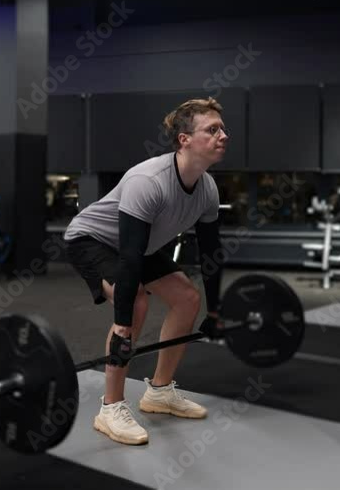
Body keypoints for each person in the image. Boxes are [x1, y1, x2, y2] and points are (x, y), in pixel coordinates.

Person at [64, 97, 229, 446]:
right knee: (135, 301)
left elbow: (212, 253)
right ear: (184, 139)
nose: (223, 135)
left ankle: (158, 392)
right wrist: (123, 325)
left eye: (223, 128)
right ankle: (110, 408)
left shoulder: (207, 189)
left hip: (140, 246)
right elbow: (129, 258)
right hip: (91, 240)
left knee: (187, 298)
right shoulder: (148, 180)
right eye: (212, 129)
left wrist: (215, 311)